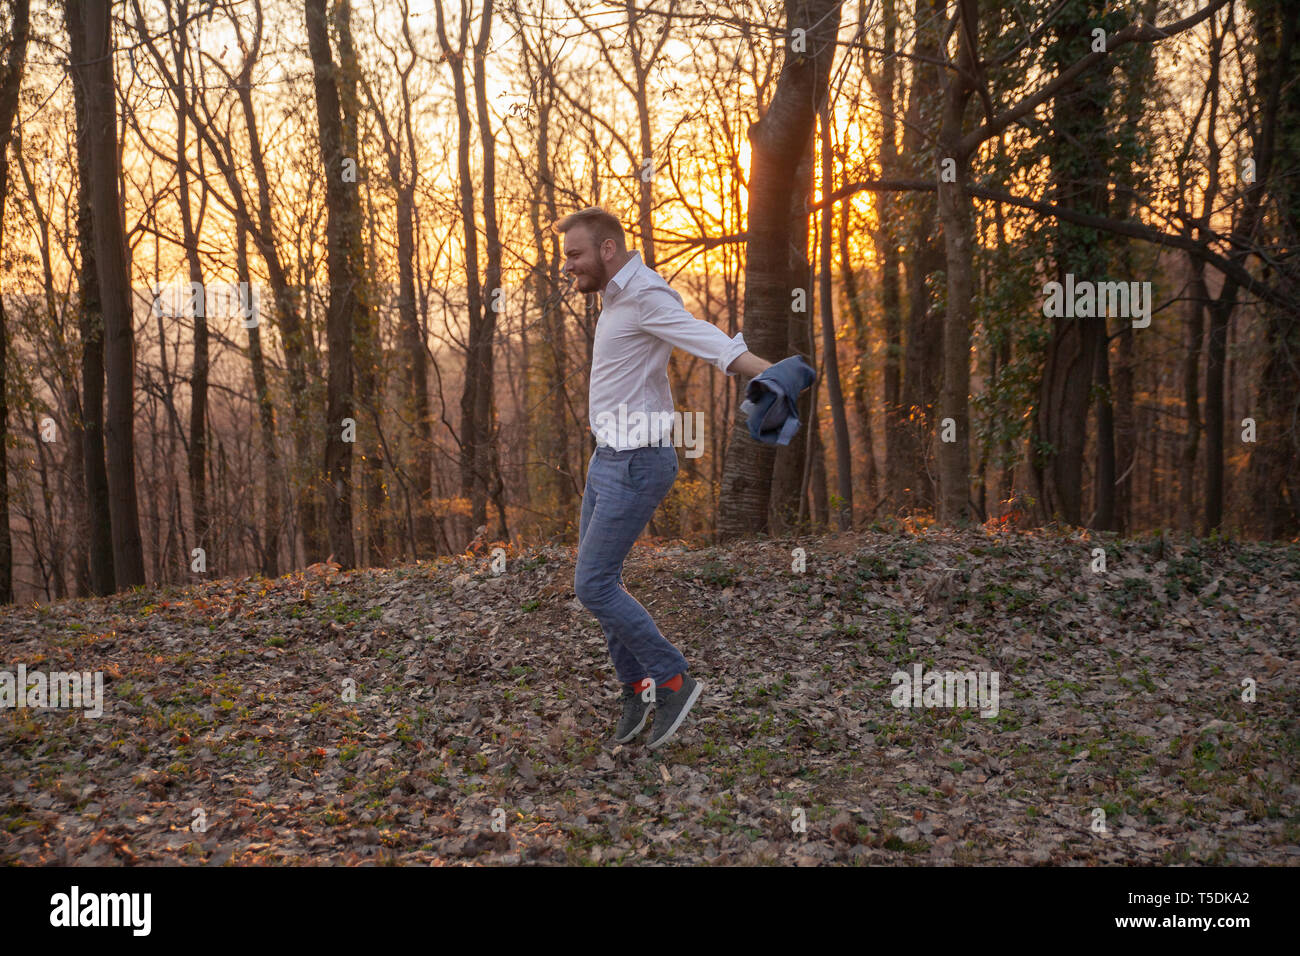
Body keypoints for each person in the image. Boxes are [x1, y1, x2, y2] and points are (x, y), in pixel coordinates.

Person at [553, 207, 771, 749]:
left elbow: (710, 340)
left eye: (575, 255)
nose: (568, 267)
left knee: (592, 584)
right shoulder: (614, 293)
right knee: (602, 581)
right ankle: (638, 686)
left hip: (638, 462)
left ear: (607, 249)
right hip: (607, 459)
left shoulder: (647, 296)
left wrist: (768, 373)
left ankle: (672, 678)